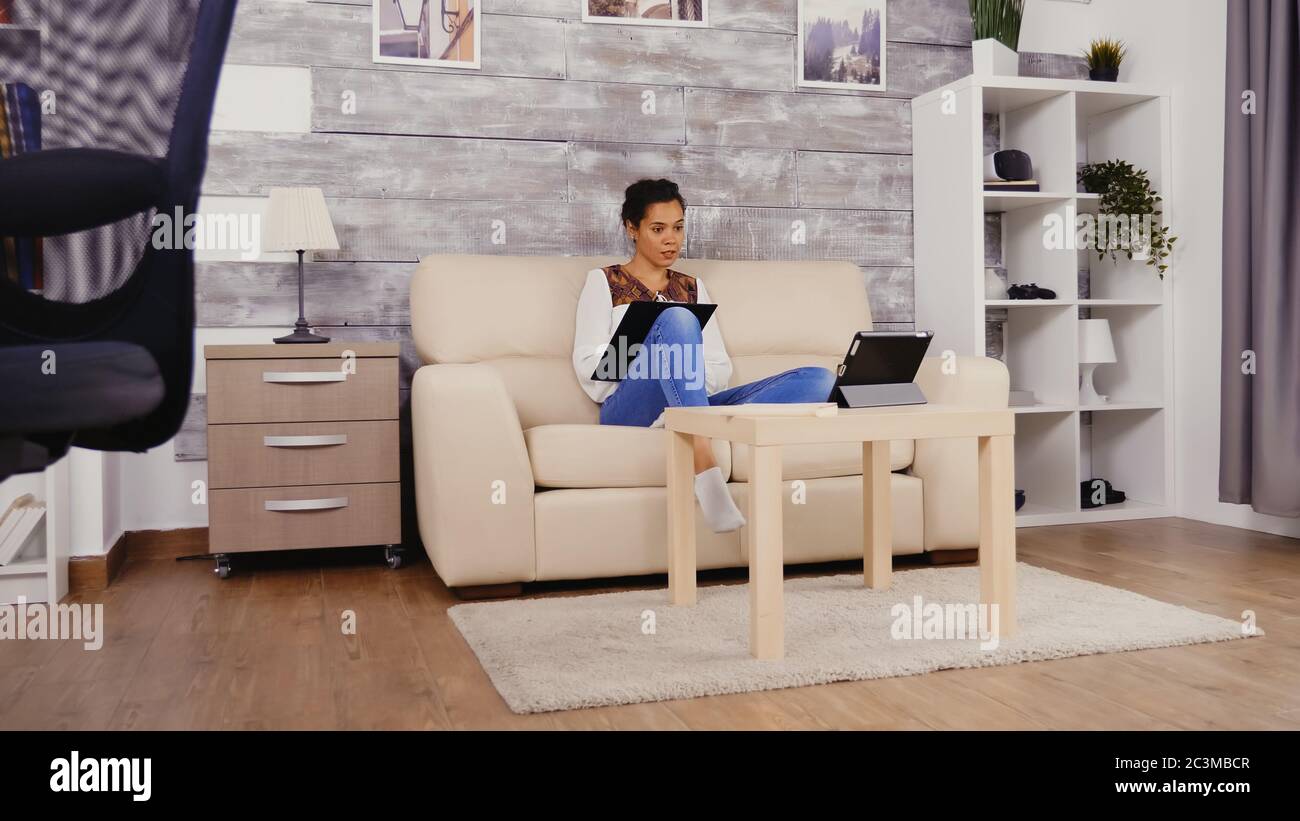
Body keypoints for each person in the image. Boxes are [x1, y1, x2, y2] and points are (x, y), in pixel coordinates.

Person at [571, 178, 836, 533]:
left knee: (818, 379)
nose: (672, 239)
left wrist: (681, 376)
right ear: (632, 229)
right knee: (676, 318)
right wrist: (656, 353)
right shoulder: (603, 282)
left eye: (678, 228)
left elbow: (718, 368)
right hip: (630, 408)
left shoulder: (693, 288)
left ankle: (690, 419)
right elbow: (591, 371)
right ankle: (705, 463)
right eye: (658, 229)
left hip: (692, 400)